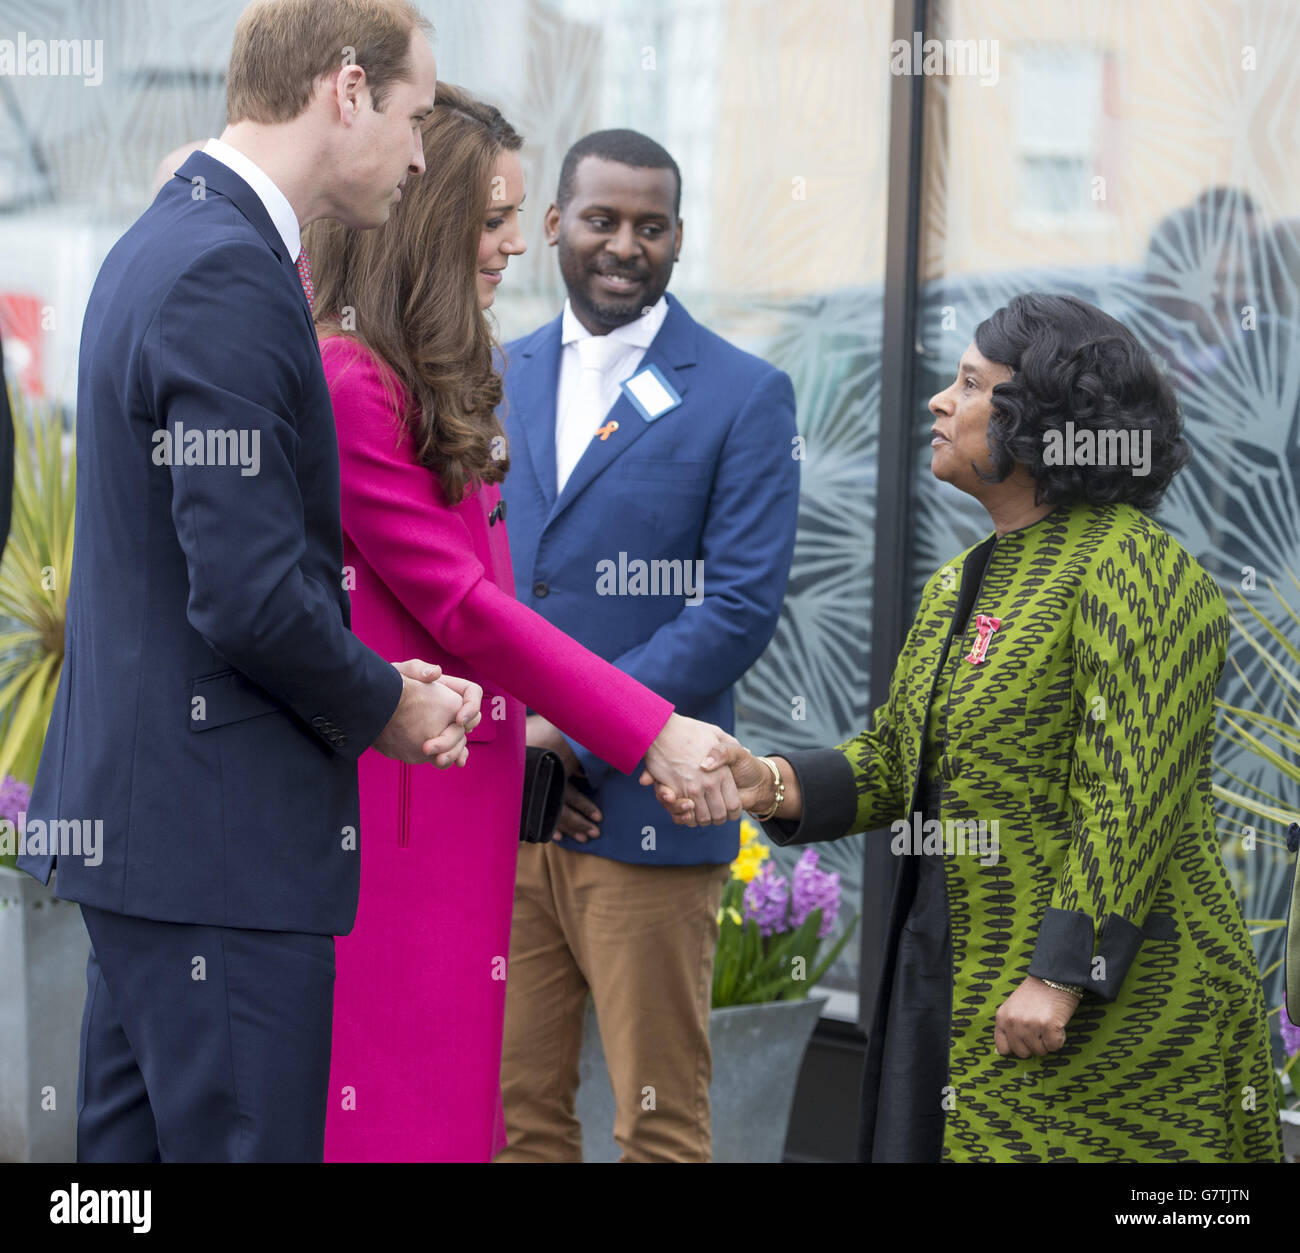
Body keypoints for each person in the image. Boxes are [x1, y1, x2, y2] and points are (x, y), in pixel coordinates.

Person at [660, 292, 1284, 1163]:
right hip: (962, 976)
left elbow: (1130, 794)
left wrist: (1060, 975)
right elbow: (895, 760)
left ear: (1046, 419)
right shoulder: (961, 580)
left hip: (1113, 1016)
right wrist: (764, 779)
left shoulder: (1135, 567)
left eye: (970, 384)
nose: (939, 401)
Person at [16, 0, 482, 1163]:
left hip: (162, 847)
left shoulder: (171, 238)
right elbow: (247, 595)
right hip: (216, 853)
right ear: (346, 90)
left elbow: (205, 571)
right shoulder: (226, 271)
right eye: (416, 116)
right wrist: (388, 701)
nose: (420, 157)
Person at [305, 85, 742, 1163]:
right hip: (411, 807)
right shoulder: (355, 380)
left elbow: (728, 602)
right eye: (493, 218)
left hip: (469, 798)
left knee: (474, 1114)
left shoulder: (427, 373)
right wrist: (645, 725)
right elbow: (463, 603)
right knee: (418, 1117)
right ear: (426, 218)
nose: (514, 243)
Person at [496, 130, 800, 1162]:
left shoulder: (742, 393)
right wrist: (513, 737)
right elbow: (473, 587)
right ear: (554, 225)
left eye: (651, 225)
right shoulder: (493, 374)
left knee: (660, 1127)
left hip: (646, 816)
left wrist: (570, 729)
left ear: (678, 237)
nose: (626, 245)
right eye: (602, 219)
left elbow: (738, 607)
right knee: (516, 1121)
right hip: (508, 815)